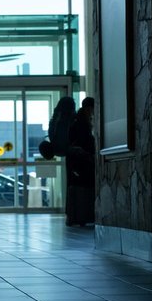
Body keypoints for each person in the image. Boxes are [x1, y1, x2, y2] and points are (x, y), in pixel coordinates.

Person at [65, 97, 96, 227]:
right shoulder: (82, 123)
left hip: (75, 161)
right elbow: (85, 141)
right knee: (83, 188)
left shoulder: (77, 121)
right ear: (89, 108)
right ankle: (81, 217)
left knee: (76, 188)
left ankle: (76, 217)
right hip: (81, 161)